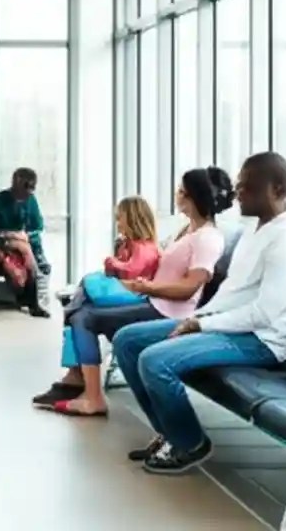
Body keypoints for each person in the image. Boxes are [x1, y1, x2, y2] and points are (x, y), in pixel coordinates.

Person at [112, 152, 286, 474]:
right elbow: (232, 293)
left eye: (247, 186)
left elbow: (265, 314)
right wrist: (201, 318)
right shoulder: (255, 229)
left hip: (259, 340)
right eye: (238, 185)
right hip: (226, 326)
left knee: (155, 361)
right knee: (127, 340)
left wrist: (200, 324)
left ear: (277, 189)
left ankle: (190, 443)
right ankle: (169, 432)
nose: (237, 193)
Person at [33, 170, 231, 417]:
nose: (176, 195)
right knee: (82, 309)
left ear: (194, 197)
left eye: (181, 191)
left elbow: (189, 288)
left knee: (83, 317)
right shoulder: (186, 230)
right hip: (153, 300)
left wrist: (147, 287)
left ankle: (91, 396)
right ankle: (76, 380)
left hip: (167, 312)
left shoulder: (208, 238)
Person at [0, 168, 50, 318]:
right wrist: (9, 235)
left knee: (24, 251)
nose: (28, 192)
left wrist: (24, 236)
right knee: (22, 251)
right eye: (25, 187)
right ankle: (31, 301)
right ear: (14, 183)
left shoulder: (31, 201)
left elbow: (37, 227)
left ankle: (29, 297)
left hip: (23, 244)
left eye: (31, 188)